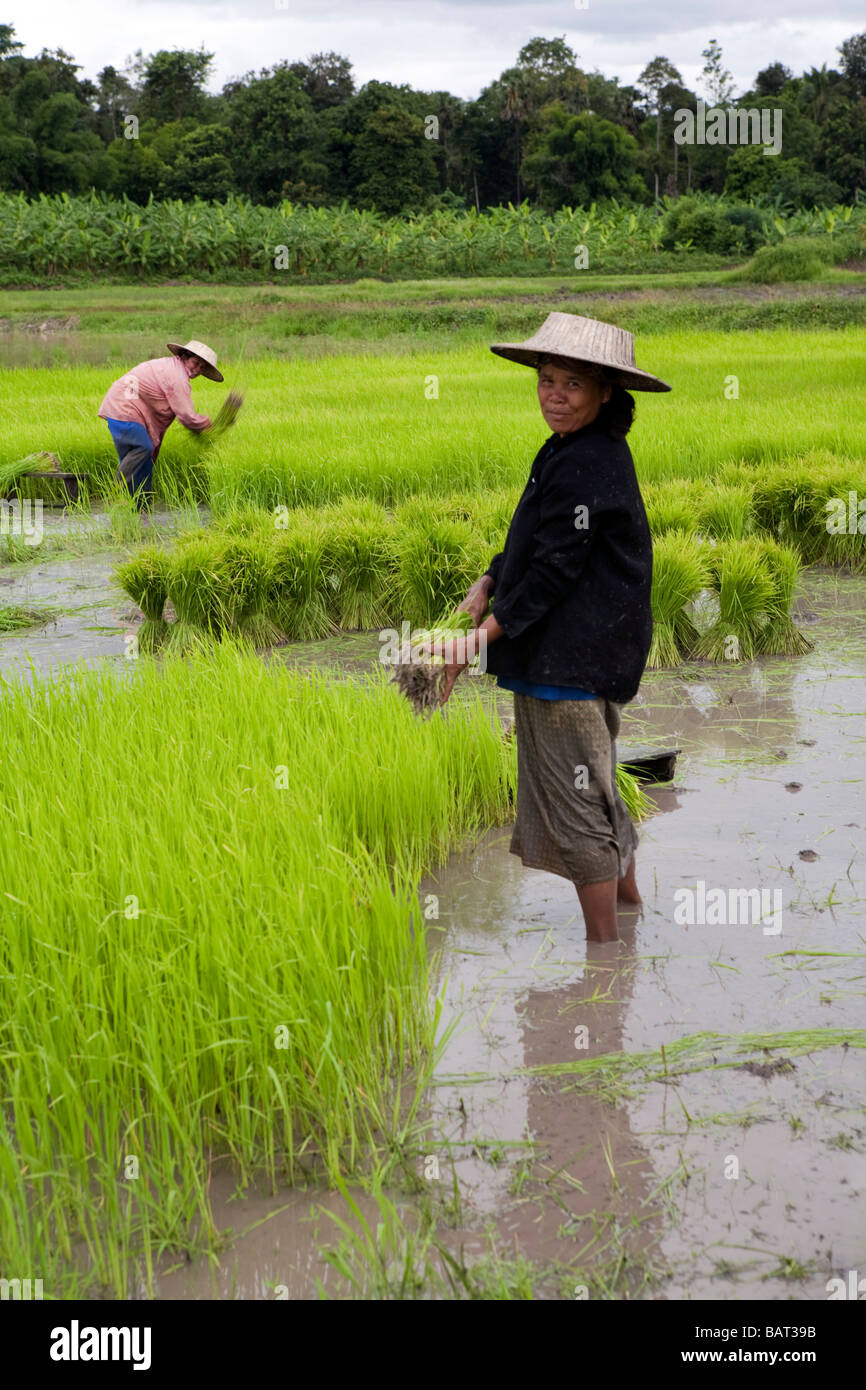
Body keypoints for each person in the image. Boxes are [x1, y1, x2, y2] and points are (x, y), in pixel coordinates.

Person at [440, 312, 671, 944]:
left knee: (575, 810)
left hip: (567, 658)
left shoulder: (584, 458)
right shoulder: (574, 449)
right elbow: (537, 539)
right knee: (598, 789)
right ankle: (627, 910)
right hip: (588, 650)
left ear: (605, 391)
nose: (555, 395)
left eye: (572, 383)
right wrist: (488, 580)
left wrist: (476, 641)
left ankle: (606, 957)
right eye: (546, 380)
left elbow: (553, 572)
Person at [98, 339, 223, 508]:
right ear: (185, 356)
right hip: (124, 407)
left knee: (144, 464)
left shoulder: (169, 366)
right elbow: (186, 415)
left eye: (202, 367)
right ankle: (114, 492)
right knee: (143, 448)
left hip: (125, 408)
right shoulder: (177, 376)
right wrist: (207, 425)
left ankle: (141, 511)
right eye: (196, 362)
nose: (197, 369)